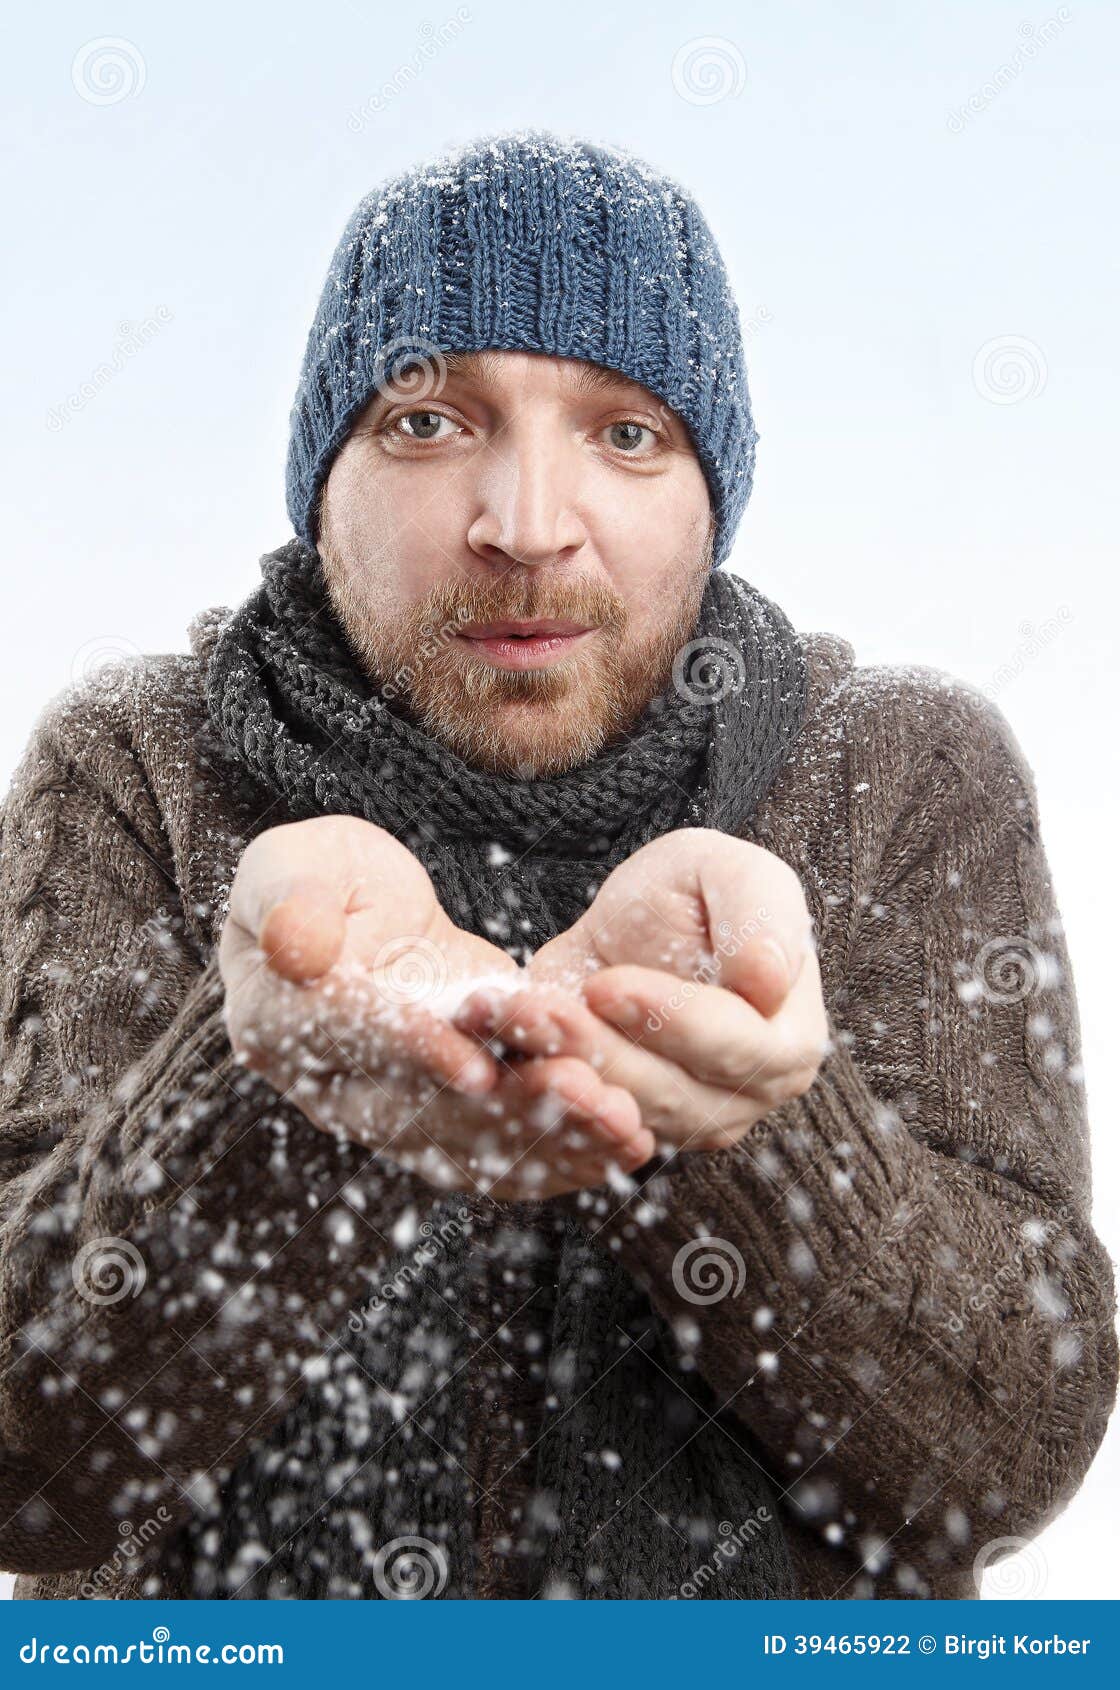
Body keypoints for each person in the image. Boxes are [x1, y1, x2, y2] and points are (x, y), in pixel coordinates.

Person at [0, 131, 1113, 1603]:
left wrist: (748, 1126)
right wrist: (265, 1080)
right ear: (316, 476)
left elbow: (1007, 1452)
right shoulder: (135, 762)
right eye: (425, 422)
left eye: (628, 433)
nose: (524, 526)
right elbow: (28, 1478)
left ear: (715, 491)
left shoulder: (905, 773)